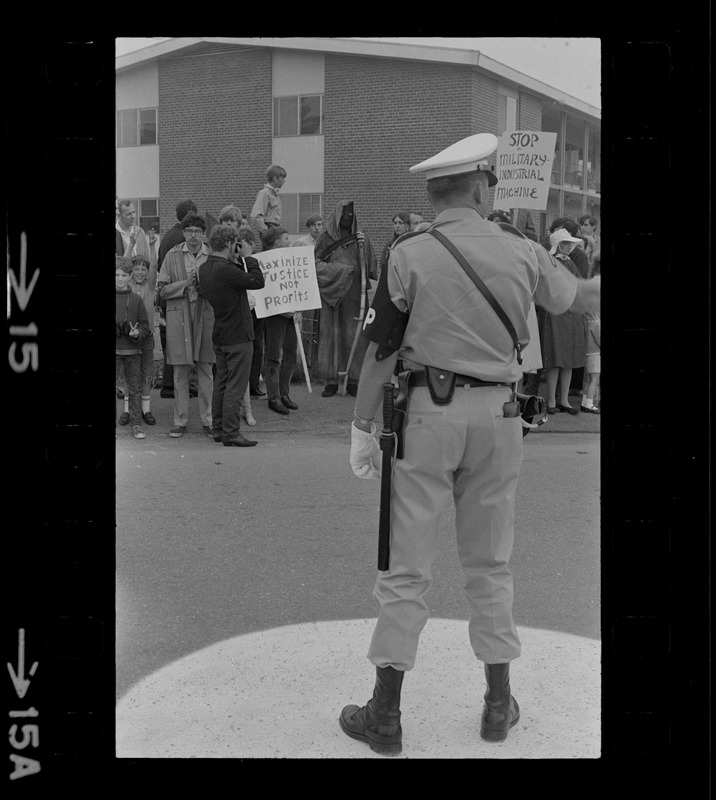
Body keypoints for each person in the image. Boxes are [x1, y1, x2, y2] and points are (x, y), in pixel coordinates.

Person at [341, 132, 600, 756]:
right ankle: (495, 704)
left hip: (427, 416)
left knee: (406, 568)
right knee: (490, 564)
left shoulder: (409, 252)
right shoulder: (521, 247)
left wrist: (360, 425)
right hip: (503, 415)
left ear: (436, 194)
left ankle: (385, 714)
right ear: (481, 188)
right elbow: (576, 300)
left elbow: (379, 352)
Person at [197, 225, 265, 446]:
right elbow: (257, 281)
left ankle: (218, 429)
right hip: (239, 335)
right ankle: (231, 433)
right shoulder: (227, 270)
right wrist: (248, 257)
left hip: (221, 333)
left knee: (221, 384)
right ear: (228, 244)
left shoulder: (205, 268)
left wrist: (235, 258)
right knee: (235, 386)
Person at [157, 213, 215, 438]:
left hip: (205, 316)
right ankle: (180, 421)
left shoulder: (212, 255)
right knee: (180, 371)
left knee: (206, 369)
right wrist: (185, 284)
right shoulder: (172, 256)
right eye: (189, 231)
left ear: (203, 233)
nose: (193, 235)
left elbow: (220, 287)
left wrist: (203, 287)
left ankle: (207, 421)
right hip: (179, 319)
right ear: (183, 232)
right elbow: (161, 289)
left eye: (197, 231)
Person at [313, 200, 377, 397]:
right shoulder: (325, 238)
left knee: (354, 337)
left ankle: (354, 380)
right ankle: (331, 381)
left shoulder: (362, 239)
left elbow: (372, 268)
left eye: (351, 213)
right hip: (333, 296)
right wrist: (340, 272)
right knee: (332, 335)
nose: (348, 216)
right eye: (344, 213)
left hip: (356, 297)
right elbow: (314, 263)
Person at [218, 205, 259, 426]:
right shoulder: (217, 250)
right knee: (224, 372)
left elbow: (253, 283)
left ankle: (247, 410)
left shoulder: (242, 250)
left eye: (232, 222)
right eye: (224, 222)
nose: (228, 226)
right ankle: (226, 416)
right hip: (224, 315)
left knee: (241, 369)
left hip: (243, 313)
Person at [541, 229, 587, 414]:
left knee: (569, 359)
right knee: (556, 359)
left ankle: (565, 400)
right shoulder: (551, 262)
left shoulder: (570, 262)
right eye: (565, 243)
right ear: (558, 244)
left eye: (570, 243)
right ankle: (552, 400)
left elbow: (579, 284)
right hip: (557, 314)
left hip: (571, 314)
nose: (569, 246)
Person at [157, 200, 199, 399]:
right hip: (177, 295)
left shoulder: (168, 235)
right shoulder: (177, 239)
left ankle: (172, 384)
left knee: (172, 341)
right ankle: (171, 385)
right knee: (176, 342)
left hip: (171, 295)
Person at [259, 226, 301, 415]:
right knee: (274, 357)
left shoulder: (290, 260)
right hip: (274, 316)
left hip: (291, 315)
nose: (289, 242)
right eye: (286, 238)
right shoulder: (263, 262)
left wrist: (298, 308)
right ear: (277, 242)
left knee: (291, 356)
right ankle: (273, 397)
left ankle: (284, 393)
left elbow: (297, 284)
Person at [116, 256, 151, 440]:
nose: (120, 279)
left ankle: (136, 424)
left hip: (133, 351)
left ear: (129, 277)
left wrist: (138, 333)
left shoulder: (136, 300)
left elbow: (145, 325)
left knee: (135, 389)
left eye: (123, 275)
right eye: (116, 275)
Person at [580, 254, 601, 413]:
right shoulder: (594, 321)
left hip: (588, 348)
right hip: (594, 350)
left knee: (589, 377)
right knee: (594, 377)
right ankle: (589, 403)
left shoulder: (588, 319)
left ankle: (585, 401)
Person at [250, 164, 287, 235]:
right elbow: (255, 216)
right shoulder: (264, 193)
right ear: (275, 178)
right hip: (270, 229)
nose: (284, 181)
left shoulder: (274, 194)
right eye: (282, 178)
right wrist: (266, 231)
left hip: (276, 229)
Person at [378, 212, 410, 278]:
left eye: (400, 223)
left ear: (407, 225)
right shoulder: (390, 244)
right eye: (395, 223)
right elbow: (383, 265)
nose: (397, 226)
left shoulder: (411, 242)